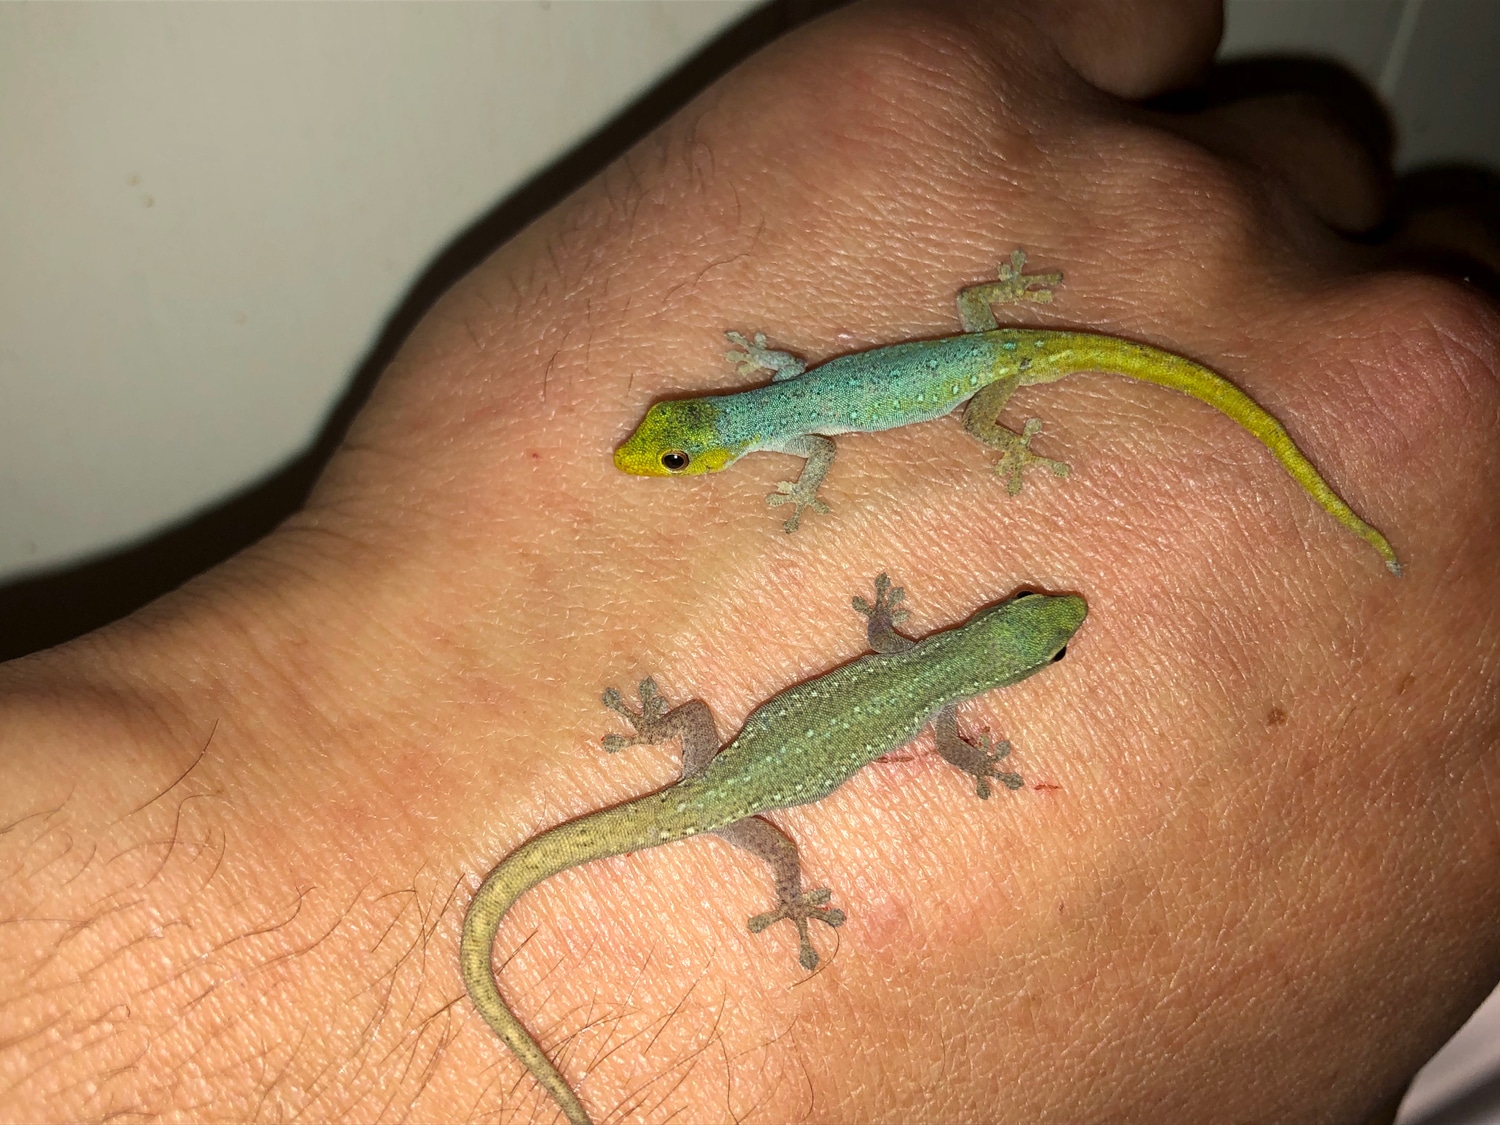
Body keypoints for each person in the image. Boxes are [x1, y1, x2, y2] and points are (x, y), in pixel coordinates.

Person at [2, 2, 1496, 1120]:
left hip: (756, 731)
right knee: (745, 805)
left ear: (1007, 624)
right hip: (739, 755)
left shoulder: (928, 658)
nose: (1041, 622)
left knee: (745, 789)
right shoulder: (934, 675)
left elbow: (904, 641)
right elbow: (917, 668)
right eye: (1043, 628)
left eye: (1040, 624)